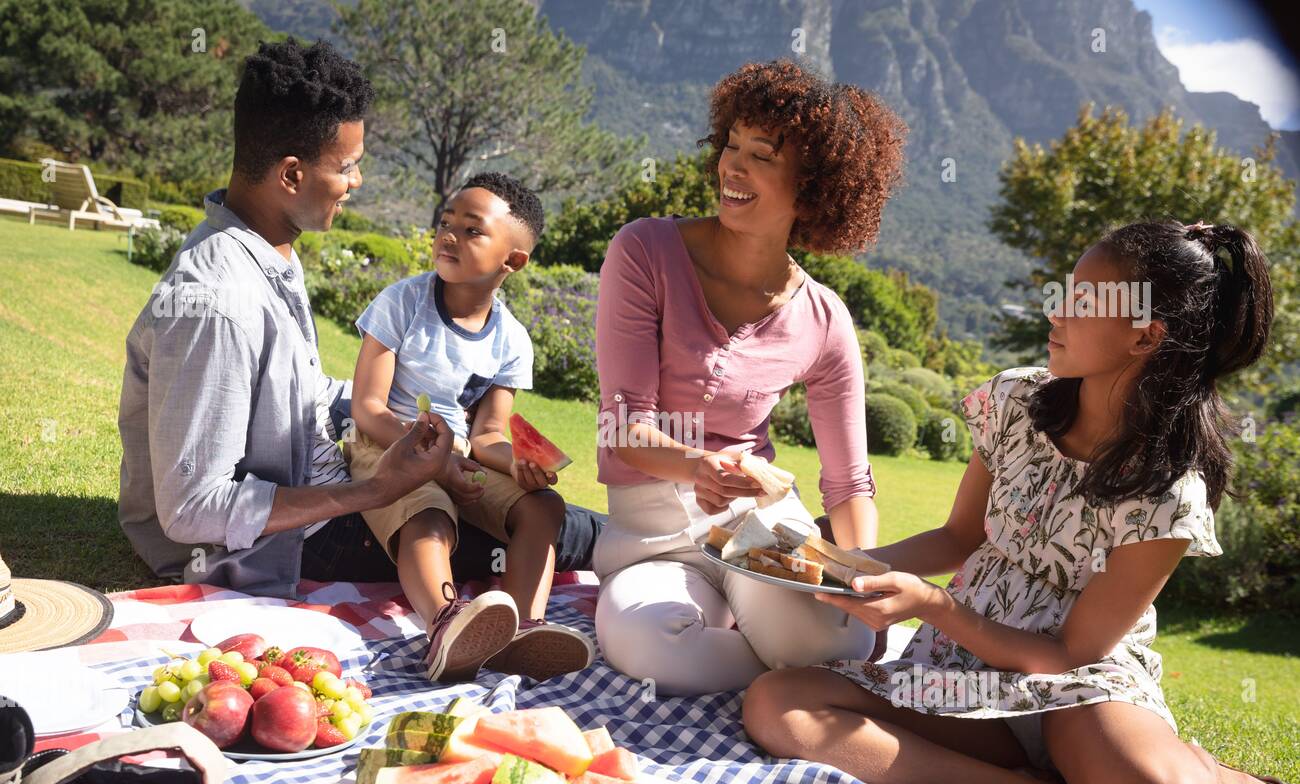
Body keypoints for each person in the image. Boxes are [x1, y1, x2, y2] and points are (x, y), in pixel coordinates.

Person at [743, 220, 1300, 784]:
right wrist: (830, 565)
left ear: (1146, 336)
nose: (1055, 310)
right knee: (779, 703)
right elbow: (958, 537)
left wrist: (929, 605)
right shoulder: (1016, 400)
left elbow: (1071, 656)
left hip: (1077, 690)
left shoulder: (1171, 492)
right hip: (964, 673)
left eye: (1084, 301)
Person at [118, 38, 604, 601]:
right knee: (572, 531)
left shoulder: (269, 249)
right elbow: (192, 509)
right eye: (347, 167)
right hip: (301, 533)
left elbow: (294, 391)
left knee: (544, 513)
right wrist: (372, 493)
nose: (357, 182)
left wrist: (416, 395)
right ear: (293, 176)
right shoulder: (217, 304)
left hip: (334, 468)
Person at [592, 59, 907, 695]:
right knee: (651, 645)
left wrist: (856, 576)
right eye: (730, 145)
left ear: (814, 188)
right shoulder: (645, 251)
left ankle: (801, 658)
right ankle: (794, 676)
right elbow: (624, 428)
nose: (731, 167)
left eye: (761, 155)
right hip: (650, 537)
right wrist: (698, 467)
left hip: (753, 526)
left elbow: (849, 484)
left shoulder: (824, 319)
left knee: (836, 637)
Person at [347, 172, 594, 682]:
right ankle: (446, 624)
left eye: (472, 230)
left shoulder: (513, 340)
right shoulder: (403, 303)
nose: (449, 235)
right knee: (430, 510)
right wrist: (433, 460)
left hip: (458, 454)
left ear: (513, 261)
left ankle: (521, 629)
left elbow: (488, 435)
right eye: (446, 222)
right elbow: (367, 407)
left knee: (544, 507)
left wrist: (517, 462)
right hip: (388, 441)